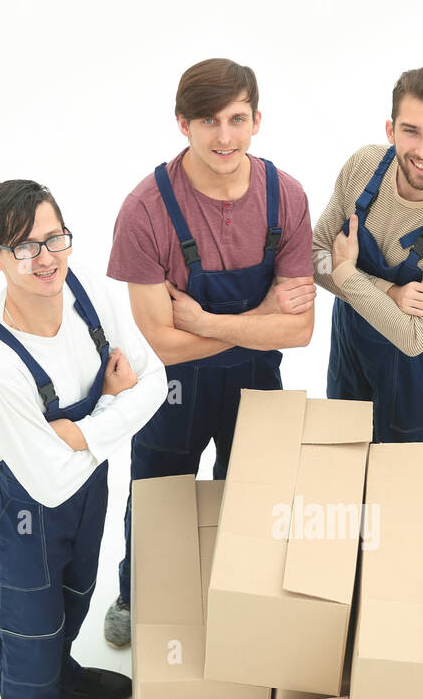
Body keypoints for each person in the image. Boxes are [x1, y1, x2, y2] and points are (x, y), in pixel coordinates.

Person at [0, 180, 167, 699]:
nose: (46, 258)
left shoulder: (90, 297)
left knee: (79, 586)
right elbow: (47, 480)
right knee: (30, 623)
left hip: (86, 483)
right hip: (25, 505)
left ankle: (62, 672)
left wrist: (85, 428)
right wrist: (115, 407)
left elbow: (155, 383)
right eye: (25, 247)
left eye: (54, 239)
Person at [105, 57, 315, 647]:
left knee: (250, 491)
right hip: (175, 386)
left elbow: (299, 333)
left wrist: (204, 318)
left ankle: (236, 588)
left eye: (237, 119)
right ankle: (137, 591)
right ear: (182, 124)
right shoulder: (145, 210)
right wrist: (260, 318)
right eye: (208, 121)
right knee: (158, 493)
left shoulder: (286, 197)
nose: (224, 137)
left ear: (256, 121)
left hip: (257, 378)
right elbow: (164, 341)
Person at [312, 65, 423, 444]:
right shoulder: (364, 166)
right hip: (349, 352)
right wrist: (389, 292)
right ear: (391, 130)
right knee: (340, 468)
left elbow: (413, 336)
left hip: (414, 377)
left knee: (399, 493)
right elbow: (314, 259)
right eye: (410, 131)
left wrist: (346, 273)